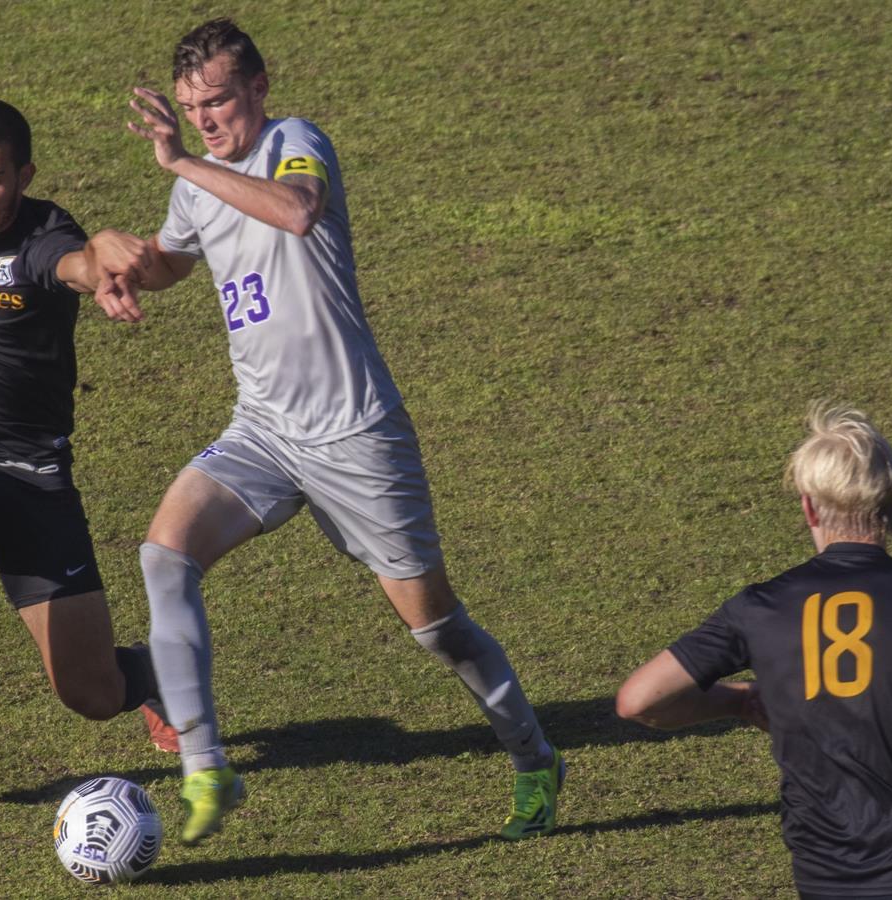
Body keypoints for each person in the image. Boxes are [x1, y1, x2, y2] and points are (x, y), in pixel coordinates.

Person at [109, 19, 561, 844]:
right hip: (264, 432)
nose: (205, 120)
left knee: (437, 628)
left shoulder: (293, 142)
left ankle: (534, 757)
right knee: (163, 554)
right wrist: (121, 271)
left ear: (258, 87)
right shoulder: (197, 181)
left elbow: (296, 212)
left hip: (357, 437)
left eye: (216, 101)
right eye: (189, 108)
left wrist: (183, 161)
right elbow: (178, 256)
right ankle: (206, 767)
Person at [0, 98, 175, 785]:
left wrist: (101, 254)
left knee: (92, 694)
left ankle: (158, 674)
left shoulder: (46, 235)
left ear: (23, 175)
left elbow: (72, 264)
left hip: (33, 474)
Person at [617, 404, 892, 898]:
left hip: (825, 878)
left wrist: (738, 701)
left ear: (809, 507)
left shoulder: (760, 607)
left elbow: (639, 700)